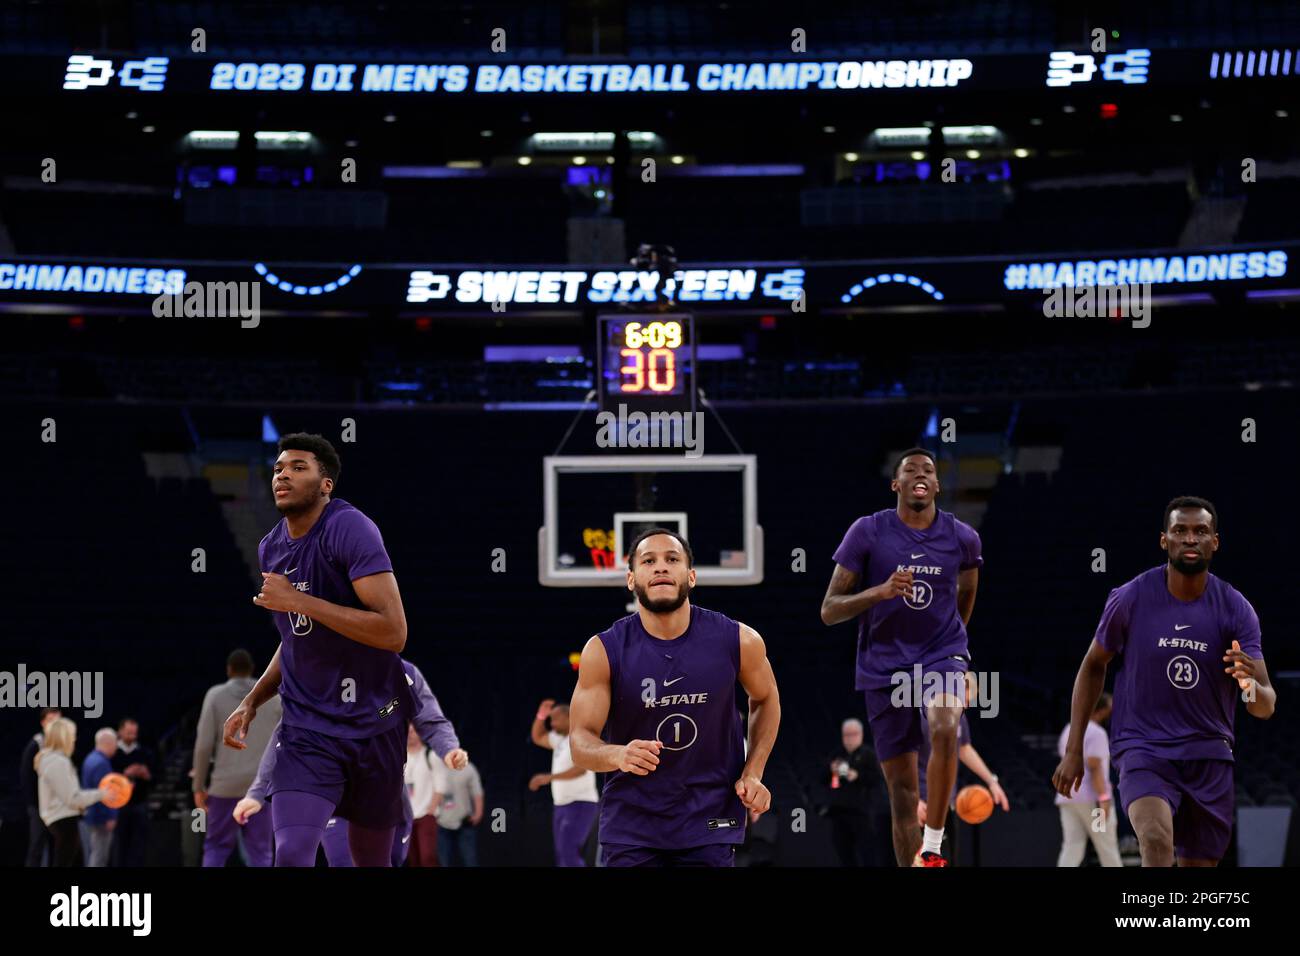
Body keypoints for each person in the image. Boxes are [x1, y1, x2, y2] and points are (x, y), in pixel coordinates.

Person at [223, 433, 417, 867]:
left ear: (325, 483)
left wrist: (299, 600)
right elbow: (296, 634)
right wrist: (252, 701)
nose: (282, 475)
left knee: (370, 861)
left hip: (375, 723)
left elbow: (393, 632)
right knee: (291, 853)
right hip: (308, 729)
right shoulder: (270, 547)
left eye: (297, 467)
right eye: (278, 468)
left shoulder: (350, 528)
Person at [1053, 497, 1276, 867]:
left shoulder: (1236, 608)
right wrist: (1074, 749)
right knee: (1155, 841)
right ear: (1164, 540)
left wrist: (1250, 683)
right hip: (1144, 750)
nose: (1190, 539)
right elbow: (1093, 665)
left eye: (1200, 532)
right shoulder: (1130, 598)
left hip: (1209, 754)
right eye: (1180, 531)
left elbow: (1264, 704)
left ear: (1214, 542)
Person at [570, 528, 781, 867]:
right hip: (632, 825)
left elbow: (767, 698)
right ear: (630, 579)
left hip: (709, 819)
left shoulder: (739, 640)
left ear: (691, 576)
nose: (660, 567)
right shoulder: (603, 650)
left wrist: (753, 771)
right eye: (648, 561)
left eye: (672, 559)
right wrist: (617, 755)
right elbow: (580, 742)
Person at [821, 448, 983, 866]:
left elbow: (966, 593)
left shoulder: (963, 537)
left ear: (937, 485)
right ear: (896, 484)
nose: (920, 474)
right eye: (910, 470)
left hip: (940, 655)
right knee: (903, 795)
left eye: (928, 470)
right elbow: (829, 609)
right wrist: (881, 591)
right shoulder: (868, 531)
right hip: (883, 667)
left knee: (946, 726)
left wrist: (954, 646)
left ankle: (933, 843)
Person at [235, 657, 467, 867]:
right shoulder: (319, 677)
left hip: (382, 791)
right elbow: (286, 735)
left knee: (392, 858)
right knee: (341, 860)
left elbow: (431, 720)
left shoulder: (403, 674)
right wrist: (256, 793)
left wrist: (449, 749)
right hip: (332, 792)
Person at [193, 649, 282, 867]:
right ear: (252, 670)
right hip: (260, 785)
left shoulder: (214, 695)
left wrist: (198, 786)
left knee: (215, 846)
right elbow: (285, 741)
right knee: (261, 852)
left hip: (224, 785)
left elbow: (203, 746)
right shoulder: (274, 698)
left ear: (229, 670)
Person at [530, 699, 600, 866]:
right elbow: (537, 737)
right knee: (562, 854)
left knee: (569, 853)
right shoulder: (559, 740)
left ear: (569, 718)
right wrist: (541, 715)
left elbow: (580, 769)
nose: (551, 723)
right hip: (561, 804)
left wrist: (548, 778)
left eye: (555, 719)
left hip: (580, 803)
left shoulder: (579, 738)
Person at [1055, 693, 1121, 867]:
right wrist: (1104, 799)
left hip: (1068, 798)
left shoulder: (1068, 729)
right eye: (1108, 709)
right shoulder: (1097, 732)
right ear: (1100, 710)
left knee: (1072, 847)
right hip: (1093, 801)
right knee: (1107, 847)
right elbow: (1094, 767)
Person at [35, 718, 109, 867]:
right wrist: (102, 794)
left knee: (75, 862)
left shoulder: (52, 760)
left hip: (62, 819)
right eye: (72, 734)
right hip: (63, 820)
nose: (74, 738)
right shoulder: (58, 762)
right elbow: (73, 798)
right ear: (64, 737)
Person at [824, 718, 884, 866]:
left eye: (853, 734)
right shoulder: (836, 754)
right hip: (839, 813)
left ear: (861, 735)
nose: (849, 738)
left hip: (862, 813)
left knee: (867, 854)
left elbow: (877, 779)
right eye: (846, 735)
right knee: (843, 853)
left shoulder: (868, 754)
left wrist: (857, 776)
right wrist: (830, 770)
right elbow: (821, 778)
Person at [109, 717, 154, 866]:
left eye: (134, 733)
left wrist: (146, 775)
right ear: (120, 732)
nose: (131, 736)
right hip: (119, 805)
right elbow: (107, 779)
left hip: (139, 803)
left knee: (139, 844)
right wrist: (125, 774)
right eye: (128, 733)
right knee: (119, 844)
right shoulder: (113, 753)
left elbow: (156, 776)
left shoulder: (145, 752)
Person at [21, 707, 62, 866]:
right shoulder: (36, 744)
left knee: (57, 847)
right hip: (39, 807)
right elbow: (26, 777)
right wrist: (35, 806)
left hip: (58, 806)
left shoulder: (62, 745)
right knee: (36, 846)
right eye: (51, 721)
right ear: (43, 722)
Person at [434, 757, 484, 866]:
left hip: (464, 822)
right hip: (441, 823)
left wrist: (478, 813)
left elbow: (477, 792)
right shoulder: (434, 768)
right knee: (443, 862)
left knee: (469, 860)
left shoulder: (467, 768)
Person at [79, 728, 118, 866]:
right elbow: (105, 794)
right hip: (100, 818)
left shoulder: (90, 759)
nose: (116, 746)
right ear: (108, 743)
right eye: (115, 743)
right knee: (99, 856)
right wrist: (110, 816)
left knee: (95, 853)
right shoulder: (102, 763)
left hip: (91, 814)